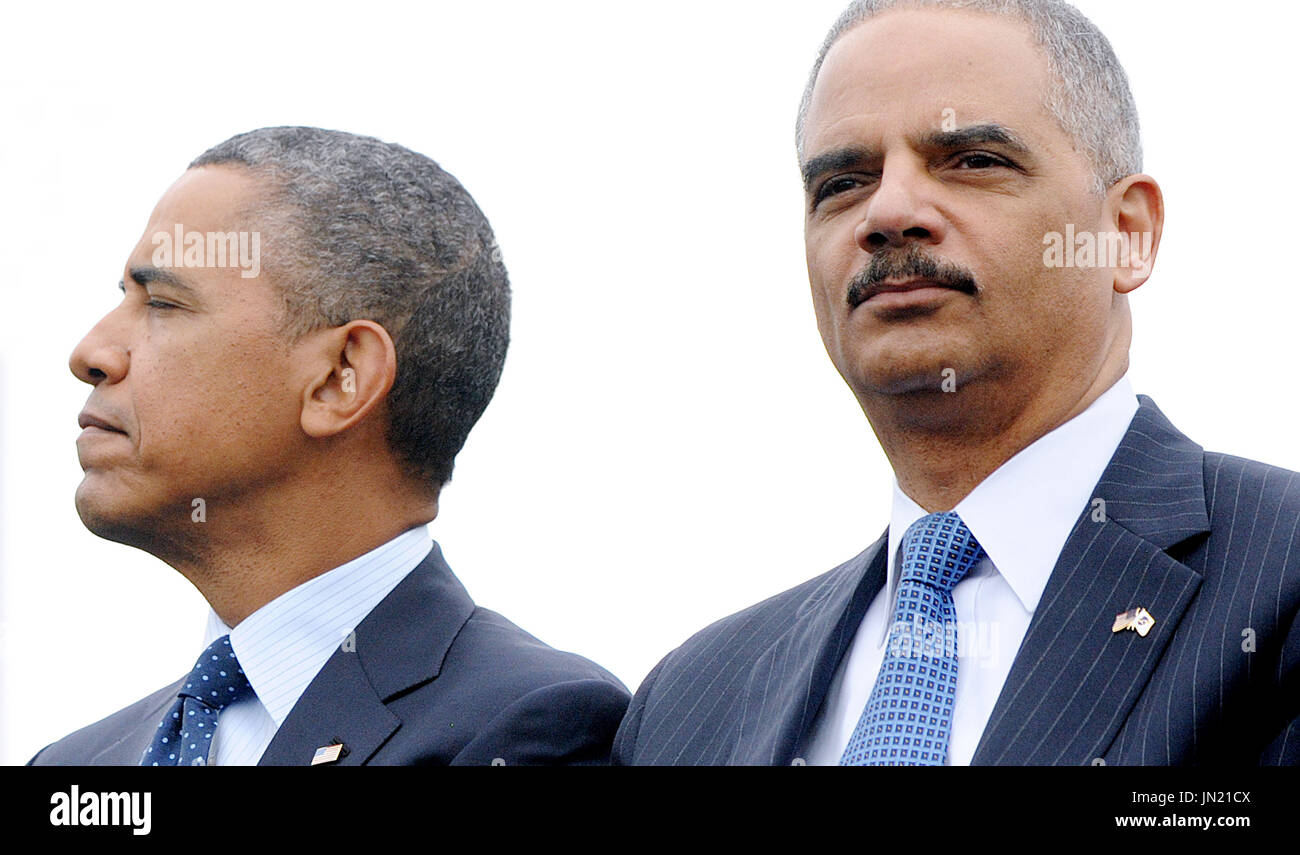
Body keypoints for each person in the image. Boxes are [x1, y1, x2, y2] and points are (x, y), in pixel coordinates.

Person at [613, 0, 1300, 765]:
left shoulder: (1281, 581)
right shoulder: (684, 708)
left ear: (1126, 233)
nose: (888, 211)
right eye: (842, 181)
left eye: (973, 161)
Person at [31, 126, 629, 766]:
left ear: (338, 378)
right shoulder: (74, 765)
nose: (91, 353)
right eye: (123, 298)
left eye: (164, 303)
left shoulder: (526, 728)